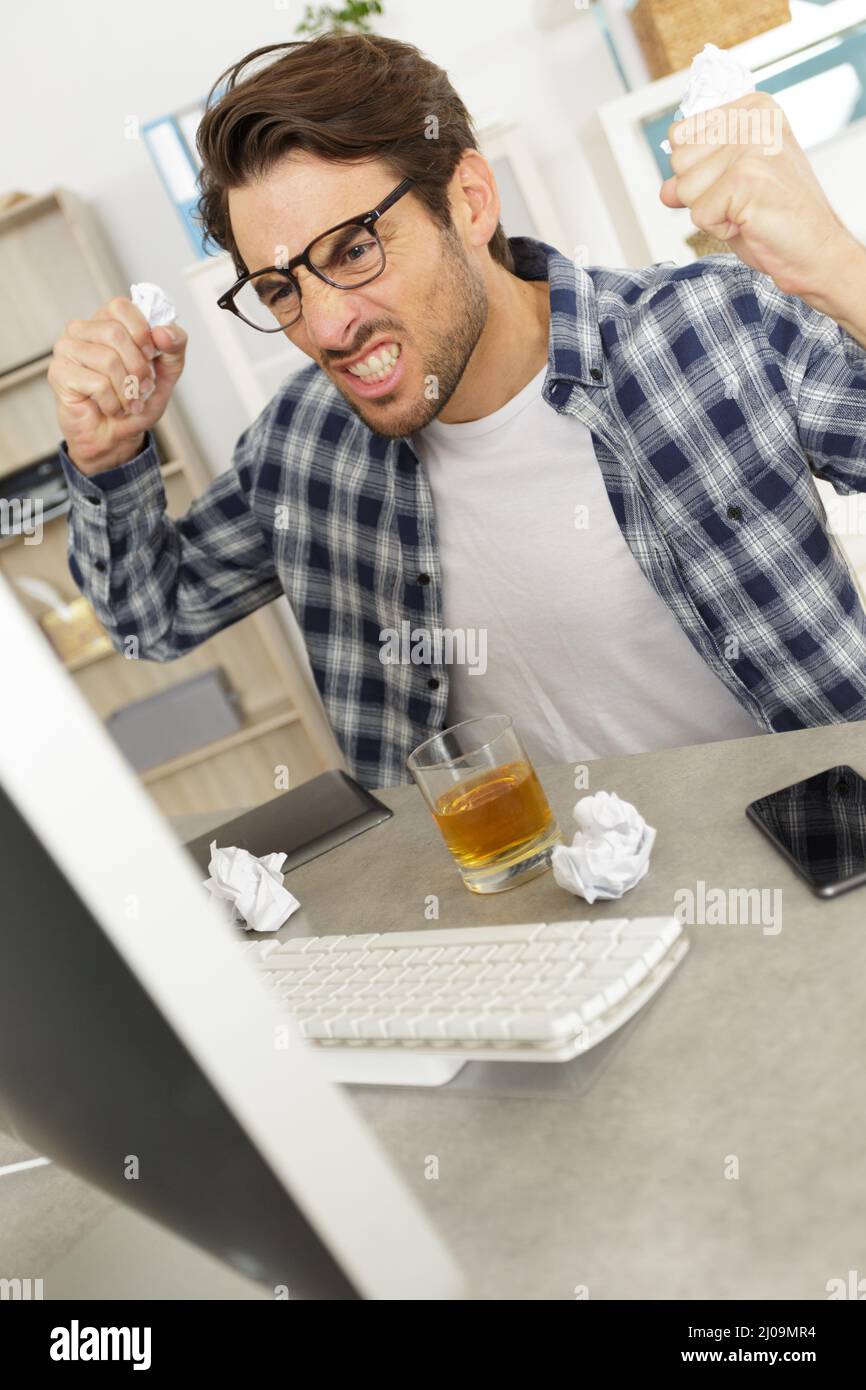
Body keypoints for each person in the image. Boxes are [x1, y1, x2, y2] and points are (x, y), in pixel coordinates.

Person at [48, 34, 866, 790]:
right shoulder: (305, 445)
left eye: (355, 249)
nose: (326, 326)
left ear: (470, 201)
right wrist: (107, 453)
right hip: (531, 920)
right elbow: (153, 620)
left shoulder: (710, 331)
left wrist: (837, 265)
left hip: (813, 858)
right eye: (280, 289)